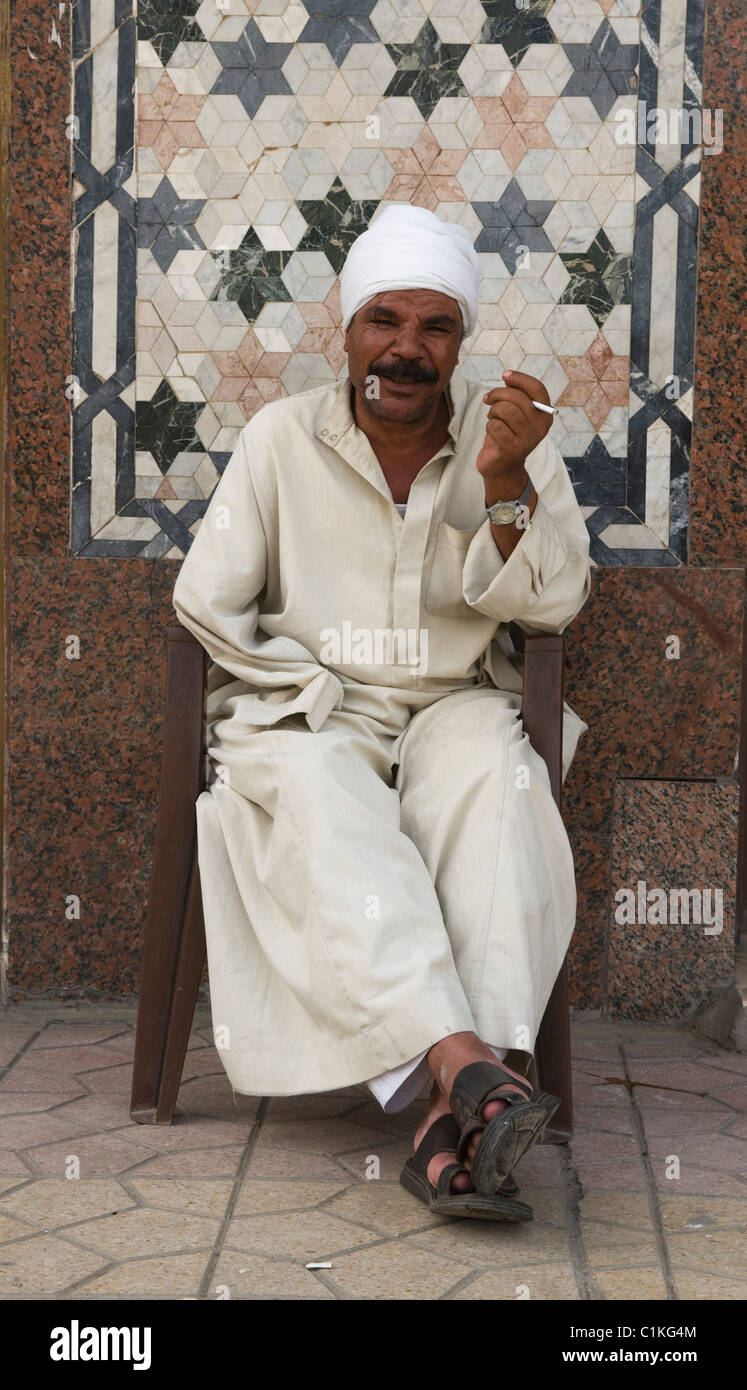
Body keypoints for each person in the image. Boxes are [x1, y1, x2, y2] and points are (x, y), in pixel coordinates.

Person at [172, 203, 592, 1222]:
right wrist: (304, 690)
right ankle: (468, 1076)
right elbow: (204, 600)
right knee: (314, 788)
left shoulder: (513, 441)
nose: (406, 348)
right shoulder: (281, 440)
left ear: (460, 343)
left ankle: (449, 1115)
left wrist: (502, 486)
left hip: (456, 700)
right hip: (318, 707)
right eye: (385, 321)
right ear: (347, 330)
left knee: (499, 784)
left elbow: (555, 603)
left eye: (434, 326)